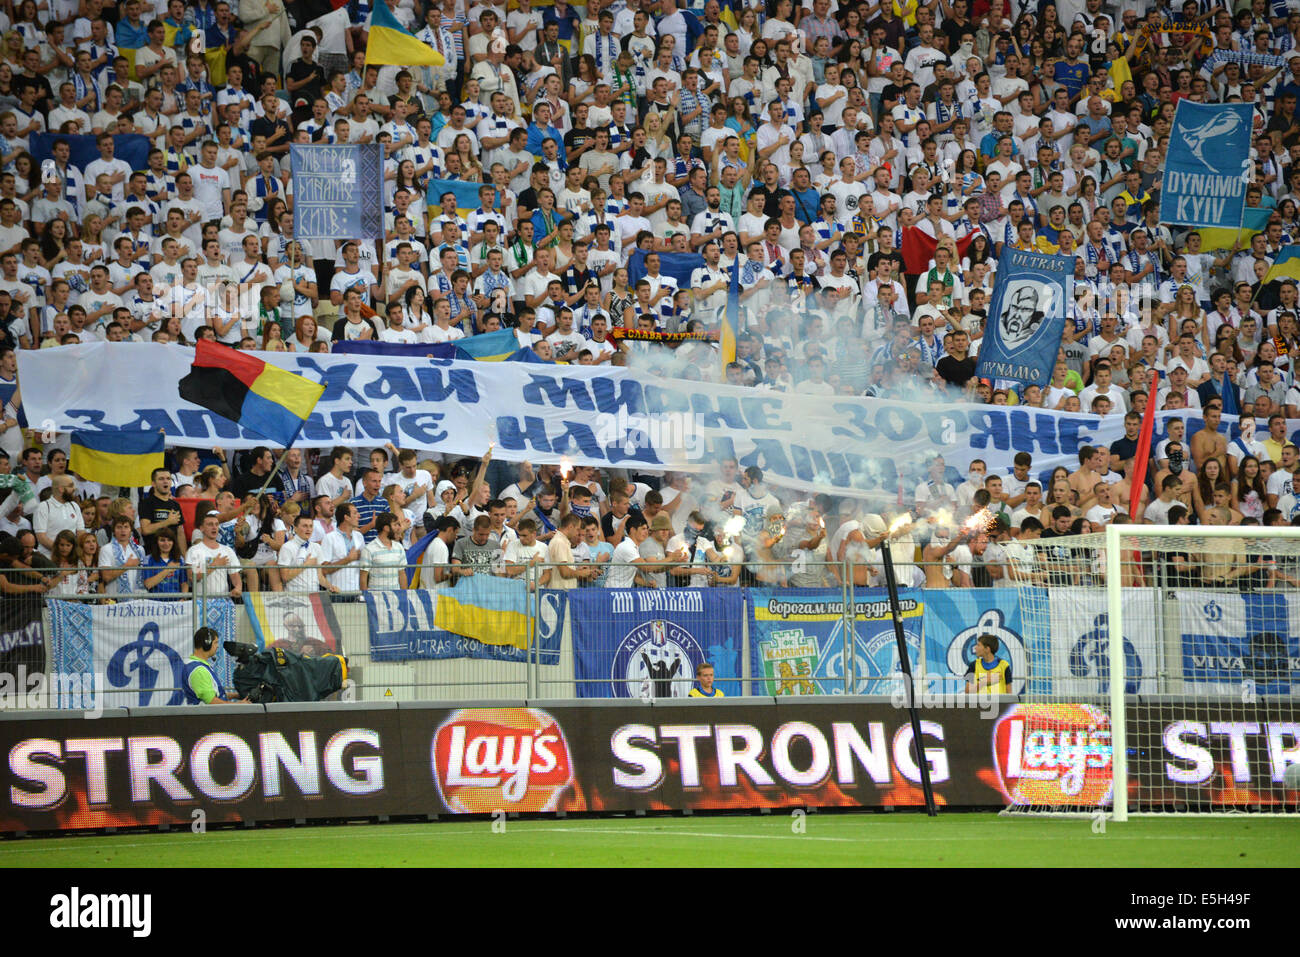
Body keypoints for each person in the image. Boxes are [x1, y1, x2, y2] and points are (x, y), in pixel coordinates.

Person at [182, 626, 243, 704]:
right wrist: (239, 705)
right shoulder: (199, 671)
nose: (217, 646)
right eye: (215, 642)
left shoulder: (195, 665)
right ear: (206, 644)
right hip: (207, 715)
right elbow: (211, 701)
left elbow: (214, 694)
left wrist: (236, 696)